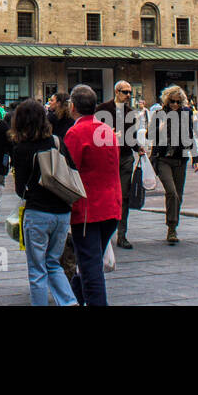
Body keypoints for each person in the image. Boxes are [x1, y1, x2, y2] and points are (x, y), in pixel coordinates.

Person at [9, 98, 77, 306]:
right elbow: (72, 171)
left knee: (37, 269)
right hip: (62, 211)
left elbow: (21, 189)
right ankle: (68, 301)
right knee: (53, 263)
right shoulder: (57, 141)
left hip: (38, 212)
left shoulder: (21, 149)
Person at [63, 84, 121, 306]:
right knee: (88, 262)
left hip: (87, 209)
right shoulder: (106, 130)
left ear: (73, 107)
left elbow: (68, 170)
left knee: (90, 266)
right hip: (111, 207)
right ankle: (73, 299)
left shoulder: (76, 132)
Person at [147, 85, 198, 244]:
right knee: (172, 192)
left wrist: (195, 157)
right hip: (162, 158)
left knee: (179, 195)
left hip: (180, 158)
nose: (175, 105)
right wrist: (161, 126)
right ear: (167, 101)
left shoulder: (186, 113)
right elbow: (149, 135)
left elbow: (189, 134)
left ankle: (172, 228)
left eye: (178, 102)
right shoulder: (159, 114)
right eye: (172, 102)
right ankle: (171, 225)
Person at [96, 80, 141, 249]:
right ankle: (102, 232)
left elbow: (132, 135)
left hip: (125, 157)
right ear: (116, 91)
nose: (128, 95)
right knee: (105, 195)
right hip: (106, 158)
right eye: (125, 92)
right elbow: (94, 132)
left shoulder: (130, 112)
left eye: (130, 92)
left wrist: (138, 148)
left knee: (124, 196)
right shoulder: (102, 110)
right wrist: (107, 135)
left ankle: (122, 235)